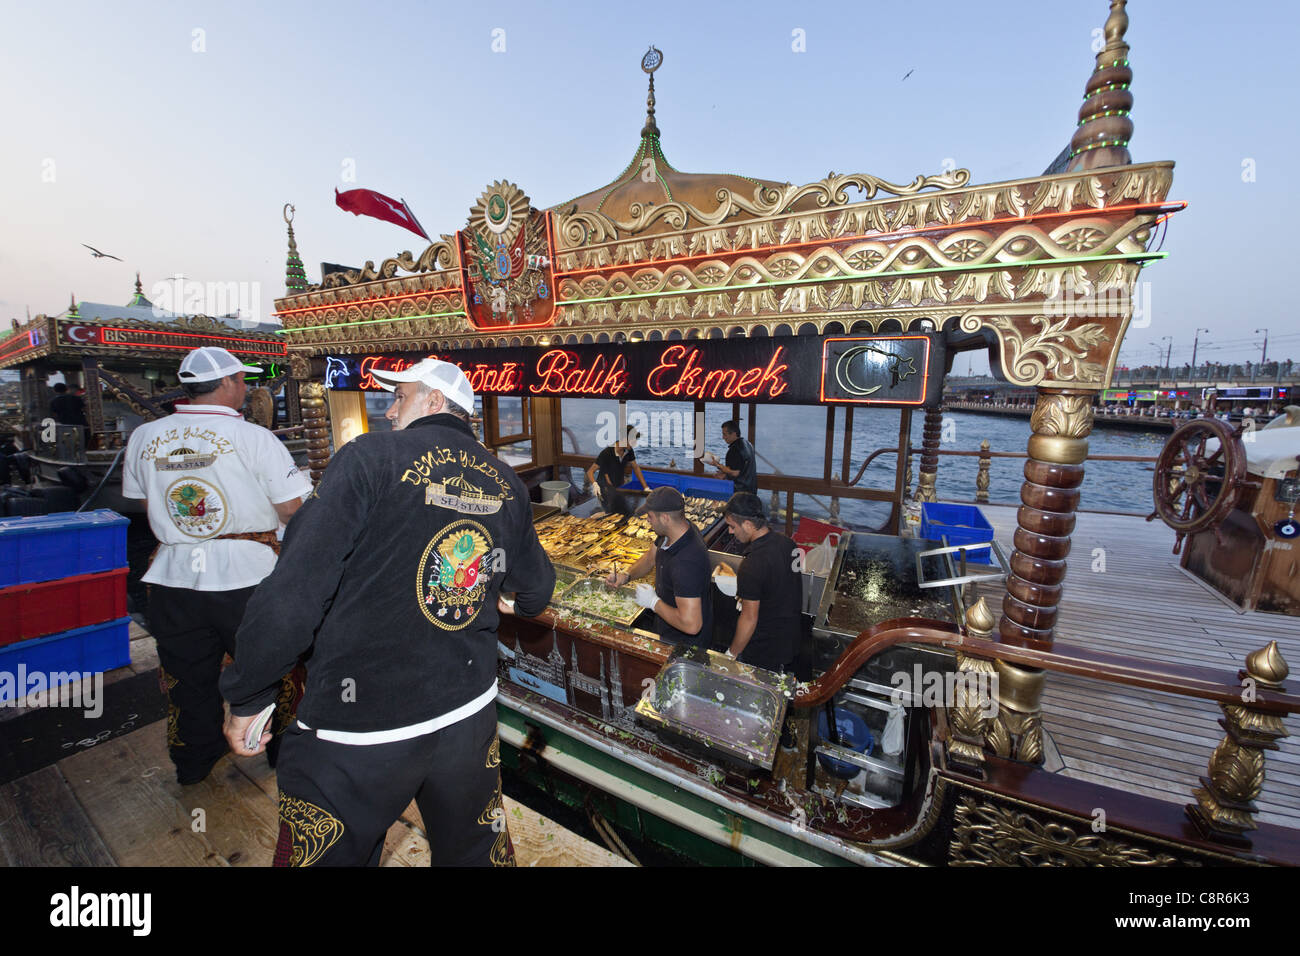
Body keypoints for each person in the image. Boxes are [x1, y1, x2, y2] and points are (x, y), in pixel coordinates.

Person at [220, 358, 555, 867]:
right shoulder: (504, 480)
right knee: (475, 851)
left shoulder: (369, 460)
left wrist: (248, 691)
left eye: (400, 398)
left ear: (434, 402)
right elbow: (537, 590)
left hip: (361, 725)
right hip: (467, 713)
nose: (390, 411)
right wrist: (511, 600)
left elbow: (293, 593)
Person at [122, 347, 313, 785]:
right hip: (247, 579)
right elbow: (291, 510)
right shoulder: (254, 438)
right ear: (226, 383)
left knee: (186, 677)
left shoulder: (144, 436)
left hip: (173, 578)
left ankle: (193, 761)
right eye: (241, 381)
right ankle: (281, 754)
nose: (245, 388)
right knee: (274, 669)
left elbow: (149, 503)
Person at [606, 487, 712, 650]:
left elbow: (692, 624)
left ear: (665, 518)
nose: (647, 520)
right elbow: (650, 558)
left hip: (683, 645)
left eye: (650, 516)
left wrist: (653, 602)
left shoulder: (687, 561)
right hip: (665, 628)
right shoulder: (672, 532)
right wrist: (626, 576)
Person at [719, 493, 801, 673]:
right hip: (792, 637)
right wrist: (750, 593)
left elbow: (749, 619)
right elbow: (787, 584)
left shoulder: (752, 564)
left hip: (765, 649)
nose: (730, 532)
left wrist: (731, 654)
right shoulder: (788, 543)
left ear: (747, 525)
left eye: (732, 527)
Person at [586, 424, 650, 515]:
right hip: (604, 489)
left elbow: (635, 468)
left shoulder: (628, 450)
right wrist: (595, 485)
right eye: (632, 441)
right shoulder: (607, 453)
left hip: (618, 488)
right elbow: (590, 472)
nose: (634, 444)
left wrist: (646, 488)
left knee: (625, 514)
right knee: (609, 514)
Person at [709, 420, 757, 495]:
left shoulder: (734, 450)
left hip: (739, 493)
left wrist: (717, 465)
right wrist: (724, 474)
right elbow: (742, 470)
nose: (723, 437)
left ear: (734, 434)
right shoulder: (748, 444)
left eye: (725, 434)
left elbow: (735, 473)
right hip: (751, 490)